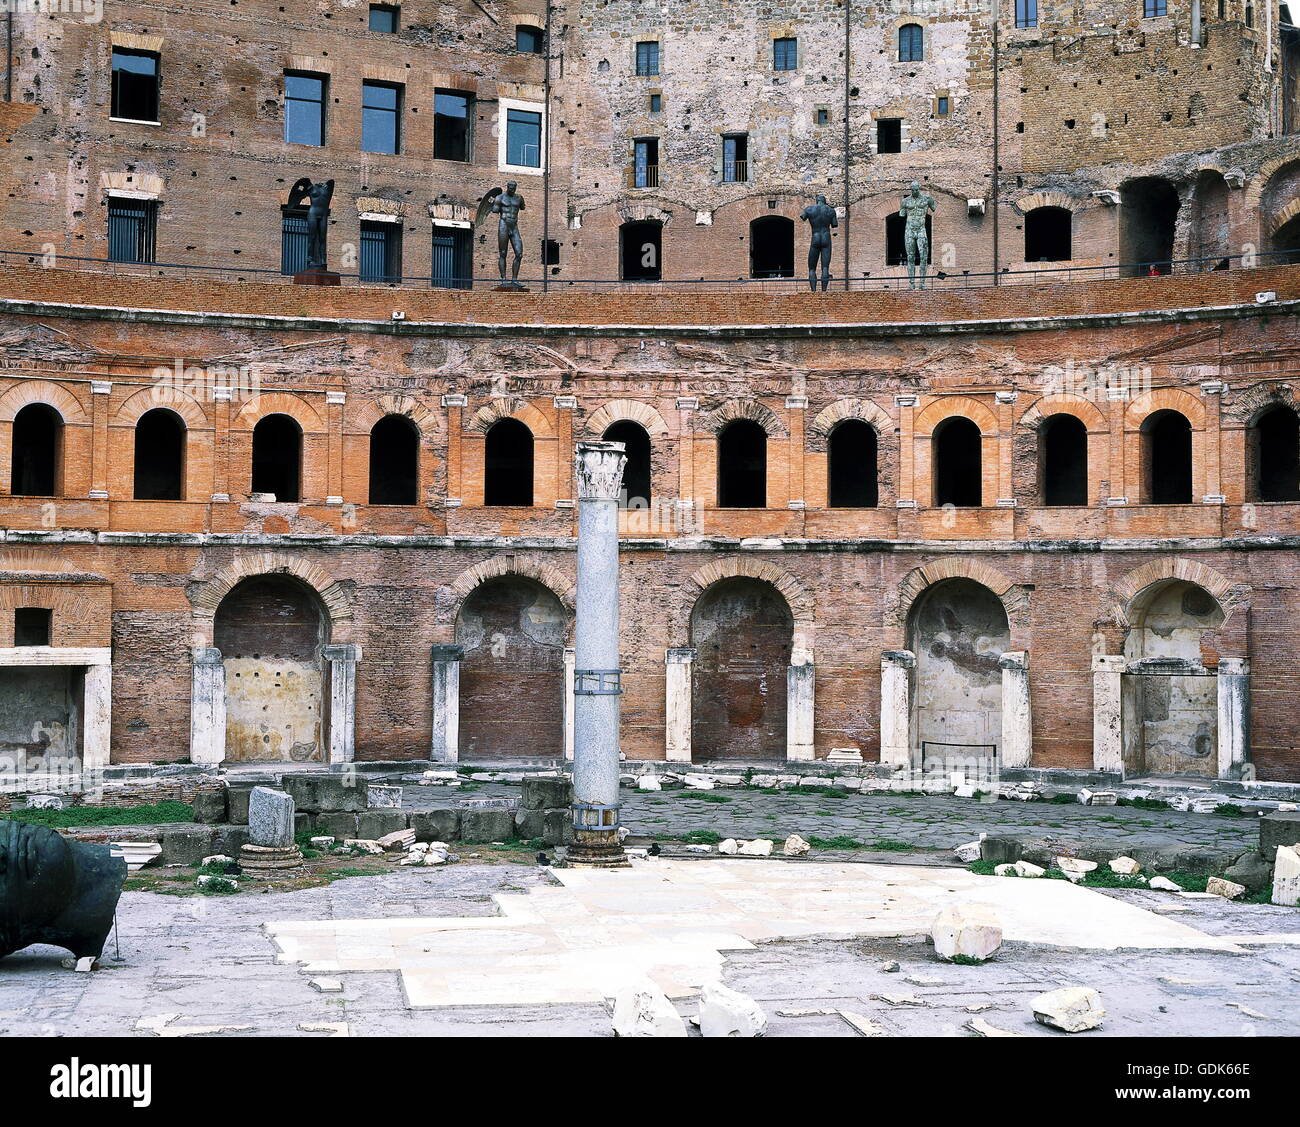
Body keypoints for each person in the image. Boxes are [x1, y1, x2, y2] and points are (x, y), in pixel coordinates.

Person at [287, 178, 335, 270]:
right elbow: (299, 192)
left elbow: (332, 181)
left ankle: (323, 260)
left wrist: (326, 184)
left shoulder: (328, 187)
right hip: (313, 213)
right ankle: (310, 259)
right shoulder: (310, 188)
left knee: (322, 239)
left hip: (323, 215)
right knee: (312, 237)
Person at [899, 181, 936, 290]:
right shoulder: (905, 201)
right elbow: (902, 214)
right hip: (909, 230)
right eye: (912, 189)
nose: (914, 191)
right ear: (911, 189)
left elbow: (934, 208)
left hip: (921, 230)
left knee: (923, 257)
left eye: (916, 189)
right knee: (910, 257)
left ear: (919, 189)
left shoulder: (927, 199)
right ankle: (911, 283)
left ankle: (922, 283)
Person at [800, 195, 838, 291]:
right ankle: (824, 291)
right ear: (825, 201)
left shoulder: (809, 209)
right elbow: (834, 225)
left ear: (817, 201)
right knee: (825, 267)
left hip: (815, 237)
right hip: (826, 238)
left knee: (812, 268)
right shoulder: (830, 210)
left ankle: (813, 291)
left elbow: (803, 217)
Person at [492, 181, 526, 286]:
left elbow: (523, 207)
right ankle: (503, 278)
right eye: (510, 188)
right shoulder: (500, 198)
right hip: (504, 225)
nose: (512, 190)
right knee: (503, 253)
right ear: (507, 187)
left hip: (514, 226)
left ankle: (514, 279)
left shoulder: (519, 198)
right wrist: (491, 203)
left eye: (514, 188)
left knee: (519, 254)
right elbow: (495, 210)